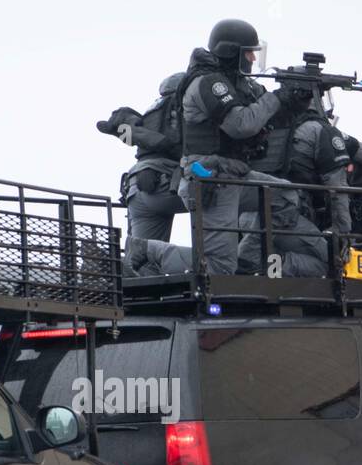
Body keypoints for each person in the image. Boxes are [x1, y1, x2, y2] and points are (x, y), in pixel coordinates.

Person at [138, 18, 299, 276]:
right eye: (248, 53)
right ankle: (146, 252)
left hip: (235, 175)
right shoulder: (208, 82)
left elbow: (265, 118)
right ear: (231, 51)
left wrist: (292, 101)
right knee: (217, 268)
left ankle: (246, 261)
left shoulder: (235, 83)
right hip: (212, 178)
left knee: (285, 196)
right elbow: (241, 125)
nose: (252, 59)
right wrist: (277, 97)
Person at [236, 73, 354, 277]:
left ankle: (259, 263)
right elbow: (338, 190)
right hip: (286, 218)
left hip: (245, 220)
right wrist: (342, 235)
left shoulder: (262, 126)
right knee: (335, 264)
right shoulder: (318, 130)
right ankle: (266, 265)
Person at [96, 73, 187, 276]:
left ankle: (117, 273)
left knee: (141, 263)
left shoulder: (151, 112)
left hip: (137, 186)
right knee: (232, 206)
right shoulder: (182, 109)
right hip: (168, 184)